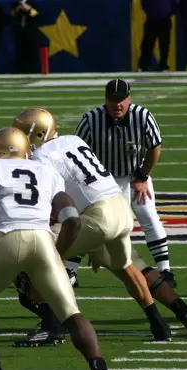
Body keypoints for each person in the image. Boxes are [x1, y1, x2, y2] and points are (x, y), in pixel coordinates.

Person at [11, 108, 187, 345]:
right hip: (120, 207)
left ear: (36, 134)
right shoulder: (73, 140)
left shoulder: (42, 158)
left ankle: (52, 326)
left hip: (96, 216)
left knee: (33, 257)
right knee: (128, 267)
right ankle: (163, 322)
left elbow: (53, 203)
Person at [0, 127, 125, 370]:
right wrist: (57, 255)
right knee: (71, 314)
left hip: (7, 238)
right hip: (44, 241)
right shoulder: (46, 172)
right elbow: (72, 218)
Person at [74, 79, 175, 288]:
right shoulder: (91, 120)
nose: (117, 105)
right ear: (106, 99)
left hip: (134, 175)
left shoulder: (143, 116)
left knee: (148, 216)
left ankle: (165, 269)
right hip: (102, 180)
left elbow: (155, 147)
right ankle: (70, 272)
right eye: (112, 100)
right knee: (90, 223)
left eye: (121, 100)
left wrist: (142, 176)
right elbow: (76, 154)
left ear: (129, 98)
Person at [137, 0, 176, 72]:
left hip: (165, 19)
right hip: (151, 19)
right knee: (147, 43)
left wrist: (170, 12)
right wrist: (149, 11)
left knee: (164, 44)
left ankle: (163, 65)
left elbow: (175, 2)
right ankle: (143, 65)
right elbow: (144, 2)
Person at [11, 0, 40, 74]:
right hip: (19, 34)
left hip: (31, 34)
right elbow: (11, 14)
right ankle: (20, 72)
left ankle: (33, 72)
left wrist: (29, 9)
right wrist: (18, 9)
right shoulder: (15, 5)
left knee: (31, 54)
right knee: (20, 54)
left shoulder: (32, 4)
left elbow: (37, 15)